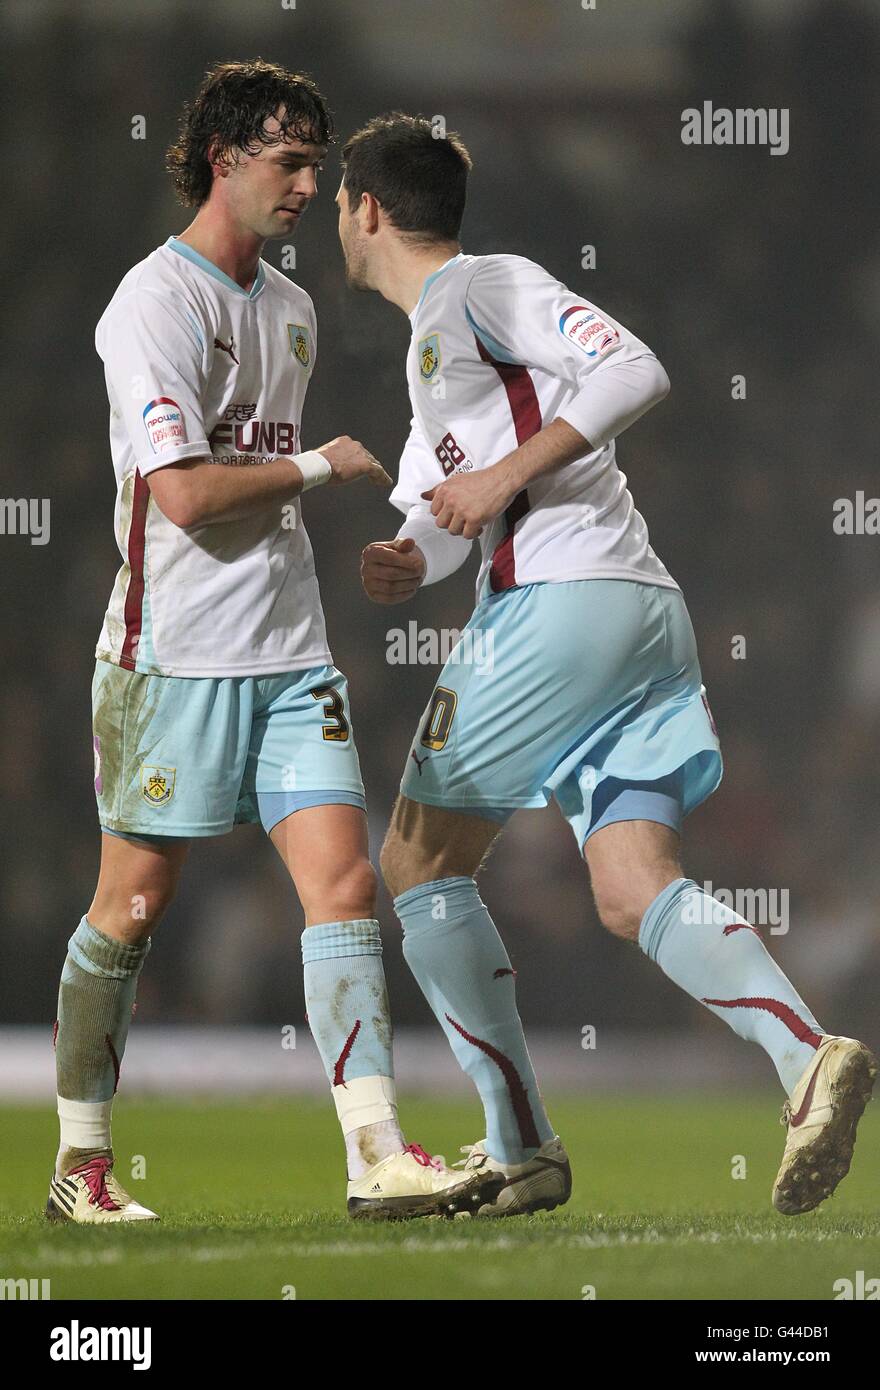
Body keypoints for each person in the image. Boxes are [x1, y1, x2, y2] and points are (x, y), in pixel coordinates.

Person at [345, 112, 876, 1218]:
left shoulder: (482, 286)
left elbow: (632, 368)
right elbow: (446, 512)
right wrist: (415, 554)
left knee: (417, 863)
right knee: (633, 892)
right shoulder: (433, 357)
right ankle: (806, 1057)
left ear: (365, 211)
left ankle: (519, 1144)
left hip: (558, 606)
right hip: (633, 618)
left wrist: (494, 492)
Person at [48, 66, 501, 1226]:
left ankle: (374, 1153)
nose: (311, 182)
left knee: (345, 884)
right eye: (289, 160)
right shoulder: (152, 303)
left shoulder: (291, 310)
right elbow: (189, 499)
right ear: (221, 158)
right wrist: (315, 467)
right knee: (130, 911)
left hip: (291, 655)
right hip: (171, 657)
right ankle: (81, 1166)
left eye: (316, 162)